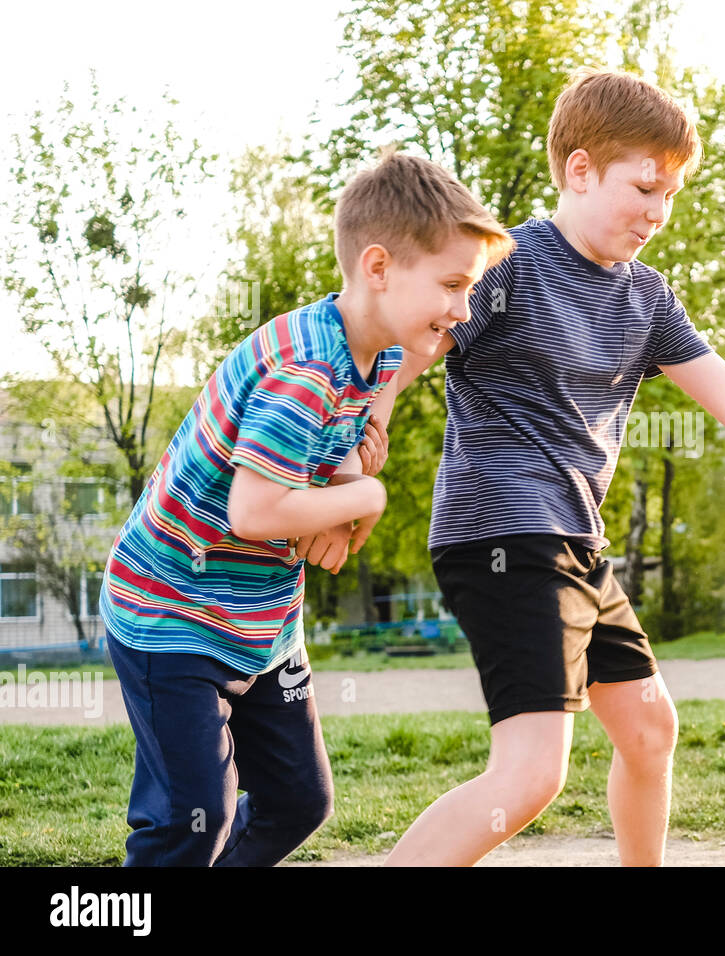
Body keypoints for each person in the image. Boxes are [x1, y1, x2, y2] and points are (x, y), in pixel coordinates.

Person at [370, 69, 725, 867]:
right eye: (644, 187)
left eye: (671, 196)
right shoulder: (507, 264)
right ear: (580, 170)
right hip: (505, 534)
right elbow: (412, 340)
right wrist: (374, 413)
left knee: (649, 728)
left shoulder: (647, 299)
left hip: (574, 543)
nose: (658, 214)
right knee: (530, 775)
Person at [99, 151, 513, 865]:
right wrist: (365, 496)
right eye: (451, 284)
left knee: (298, 800)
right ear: (378, 268)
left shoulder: (375, 350)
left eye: (469, 288)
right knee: (192, 818)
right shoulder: (307, 367)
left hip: (261, 620)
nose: (462, 309)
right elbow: (254, 513)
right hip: (172, 615)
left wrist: (353, 464)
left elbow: (374, 400)